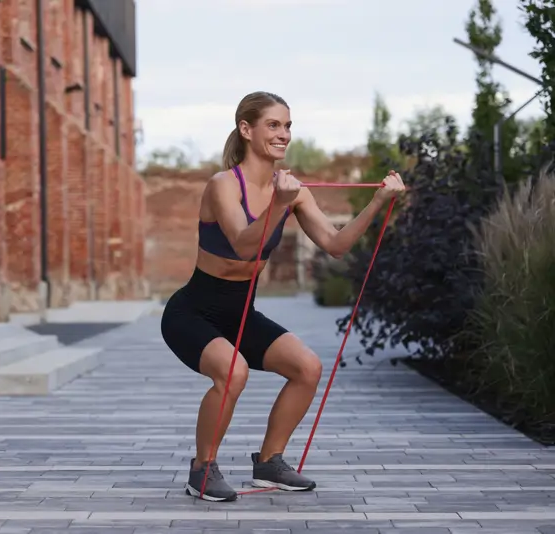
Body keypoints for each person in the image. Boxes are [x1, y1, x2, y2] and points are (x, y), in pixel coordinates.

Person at [160, 91, 406, 502]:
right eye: (273, 125)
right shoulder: (223, 185)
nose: (284, 134)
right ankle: (202, 470)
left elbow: (337, 244)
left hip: (241, 311)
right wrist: (280, 204)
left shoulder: (294, 192)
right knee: (233, 371)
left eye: (288, 125)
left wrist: (379, 202)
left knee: (307, 367)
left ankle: (270, 462)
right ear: (246, 129)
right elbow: (242, 245)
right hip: (192, 312)